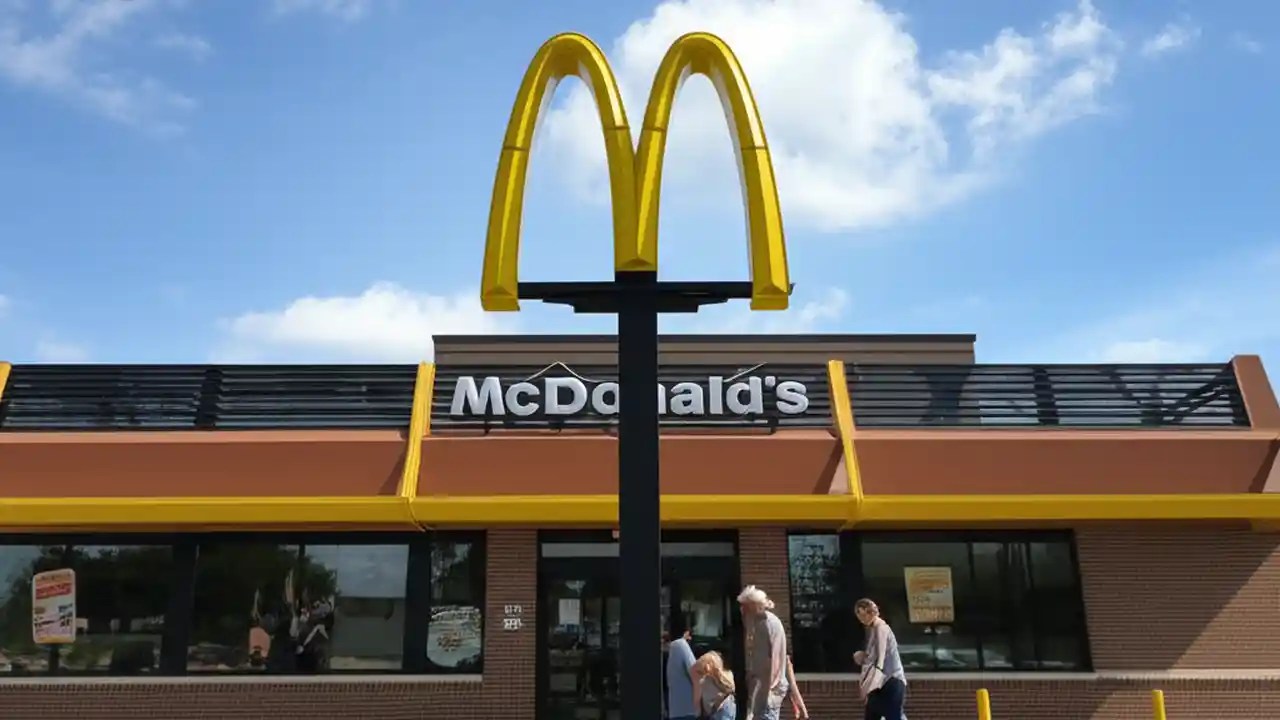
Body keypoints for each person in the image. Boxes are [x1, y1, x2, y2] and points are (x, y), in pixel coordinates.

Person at [737, 585, 788, 720]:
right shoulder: (771, 621)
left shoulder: (763, 625)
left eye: (744, 607)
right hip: (771, 690)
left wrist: (759, 698)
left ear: (753, 606)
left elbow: (764, 665)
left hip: (766, 693)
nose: (742, 611)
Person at [853, 598, 907, 720]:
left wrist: (869, 685)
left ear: (870, 612)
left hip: (890, 680)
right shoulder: (872, 630)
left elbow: (880, 659)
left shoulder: (881, 628)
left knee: (892, 715)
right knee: (874, 713)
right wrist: (863, 656)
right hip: (882, 682)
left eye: (862, 615)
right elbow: (874, 656)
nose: (861, 620)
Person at [664, 616, 698, 720]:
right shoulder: (681, 645)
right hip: (687, 710)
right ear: (685, 632)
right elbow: (696, 674)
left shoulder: (672, 648)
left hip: (676, 710)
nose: (690, 638)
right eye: (689, 634)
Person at [693, 650, 738, 720]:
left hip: (720, 710)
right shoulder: (707, 679)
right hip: (716, 711)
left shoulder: (719, 677)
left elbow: (729, 690)